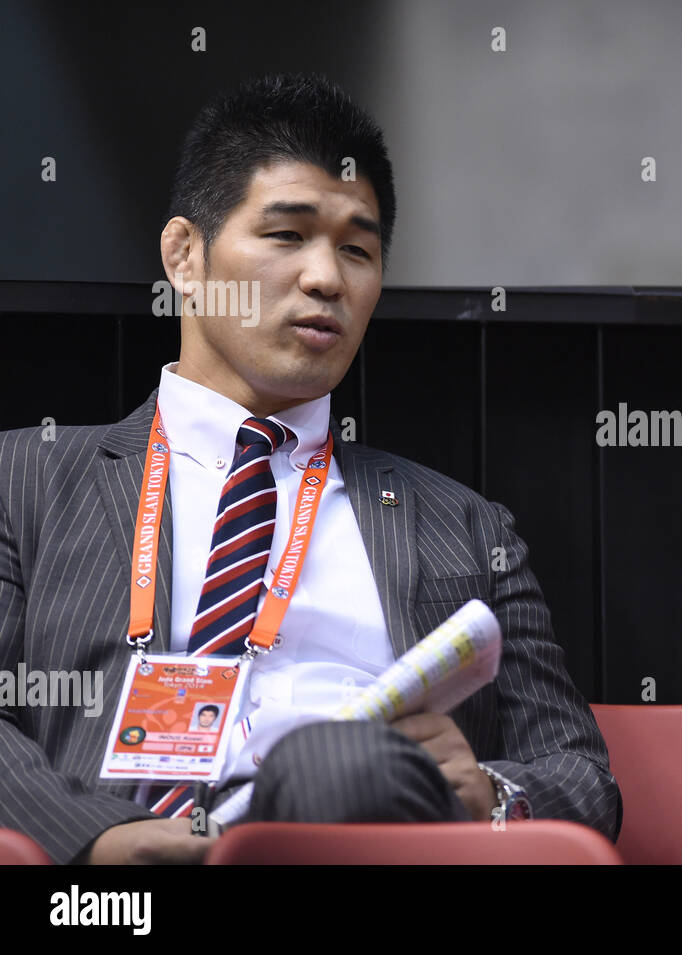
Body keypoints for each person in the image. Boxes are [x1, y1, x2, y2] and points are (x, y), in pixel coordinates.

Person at [0, 73, 620, 864]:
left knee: (335, 761)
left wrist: (490, 794)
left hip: (361, 827)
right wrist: (98, 837)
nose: (327, 278)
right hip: (116, 893)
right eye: (288, 236)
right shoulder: (24, 482)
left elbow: (583, 773)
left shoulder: (462, 524)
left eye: (357, 250)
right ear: (186, 257)